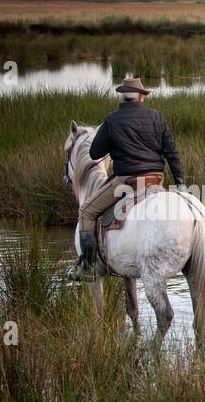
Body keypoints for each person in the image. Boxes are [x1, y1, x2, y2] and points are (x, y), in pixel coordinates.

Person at [78, 76, 185, 268]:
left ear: (123, 97)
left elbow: (95, 153)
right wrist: (180, 182)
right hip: (156, 180)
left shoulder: (111, 120)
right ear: (141, 97)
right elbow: (172, 153)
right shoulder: (157, 117)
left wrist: (113, 142)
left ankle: (87, 267)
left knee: (86, 211)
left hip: (126, 181)